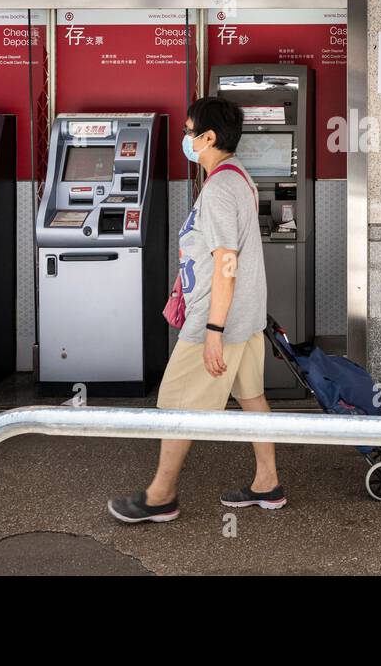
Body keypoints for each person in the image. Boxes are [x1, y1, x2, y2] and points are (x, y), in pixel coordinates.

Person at [109, 96, 277, 523]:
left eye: (189, 131)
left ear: (209, 137)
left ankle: (160, 495)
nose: (185, 138)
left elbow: (225, 264)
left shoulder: (221, 188)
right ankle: (267, 483)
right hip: (245, 316)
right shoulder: (237, 176)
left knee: (177, 405)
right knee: (252, 396)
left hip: (217, 319)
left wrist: (213, 331)